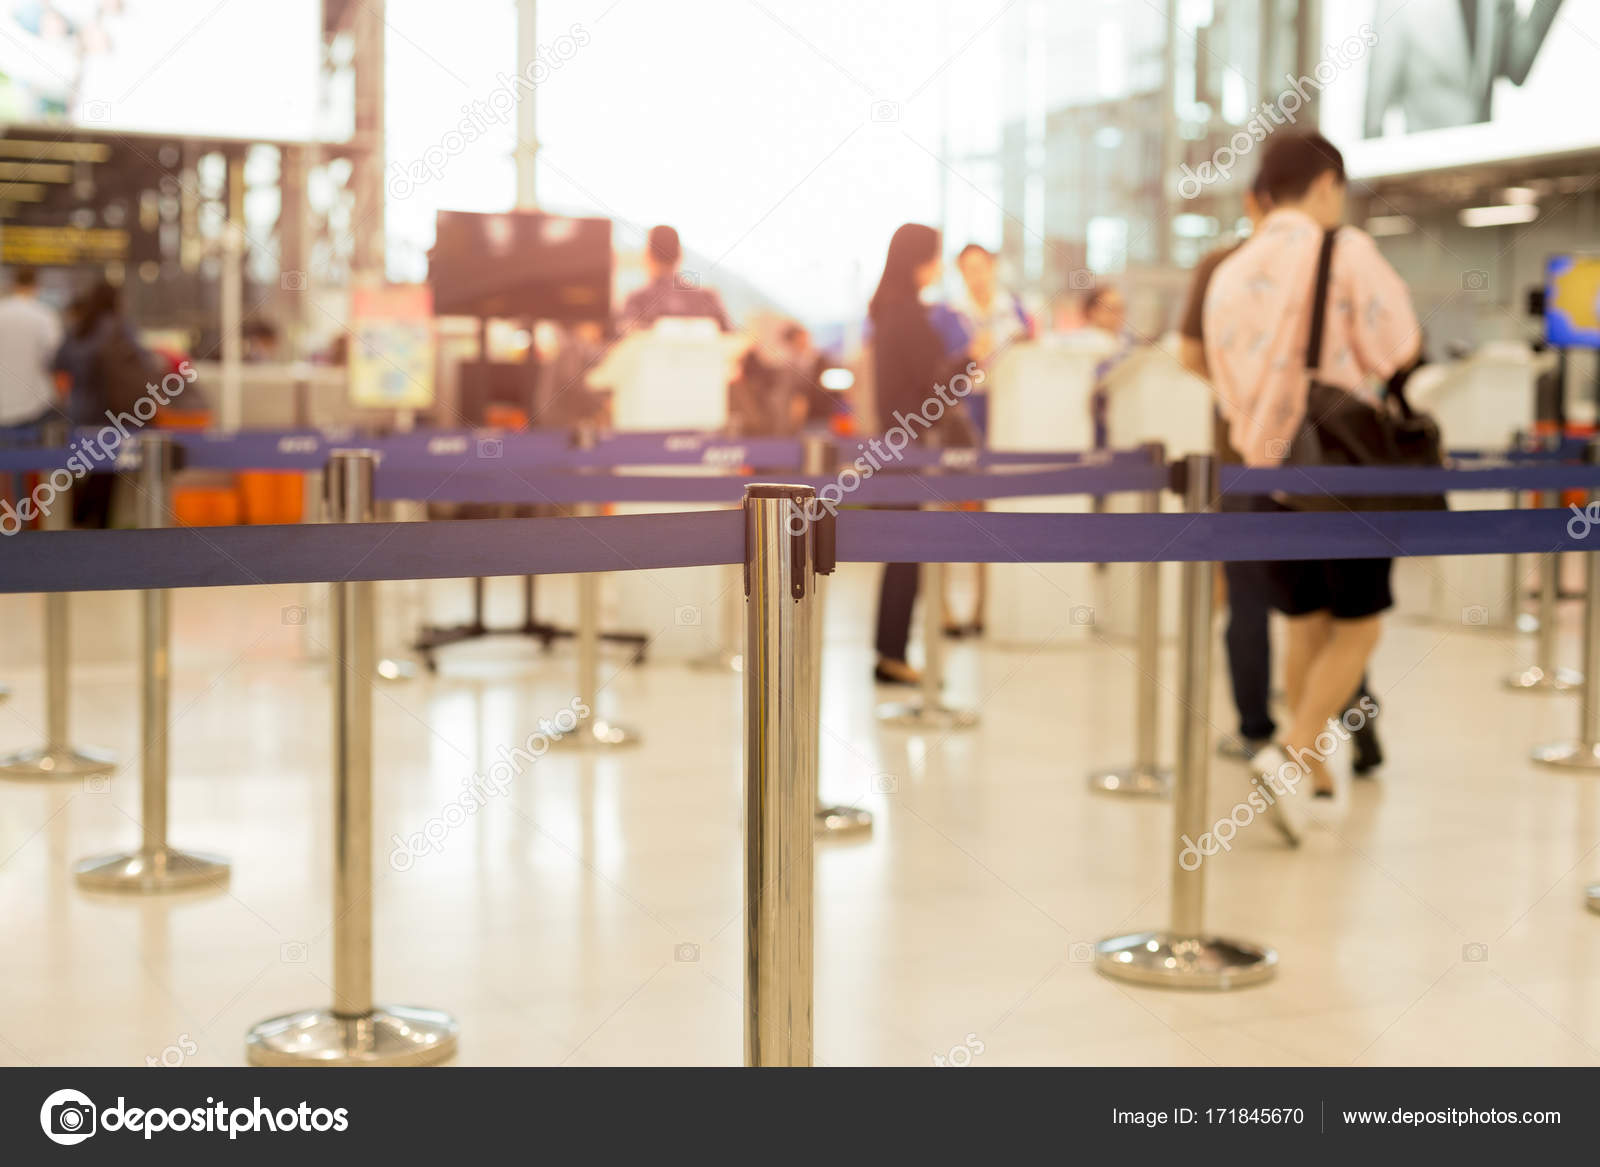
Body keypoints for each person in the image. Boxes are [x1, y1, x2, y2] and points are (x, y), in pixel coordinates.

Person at [1203, 131, 1421, 835]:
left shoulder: (1229, 270)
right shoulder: (1344, 249)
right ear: (1326, 182)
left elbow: (1219, 378)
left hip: (1259, 472)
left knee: (1302, 621)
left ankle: (1310, 780)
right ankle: (1295, 750)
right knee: (1360, 625)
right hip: (1339, 466)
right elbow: (1398, 344)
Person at [1181, 179, 1385, 770]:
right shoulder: (1332, 253)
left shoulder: (1222, 266)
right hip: (1331, 457)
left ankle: (1259, 733)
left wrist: (1246, 397)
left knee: (1263, 603)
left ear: (1257, 204)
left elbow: (1191, 356)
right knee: (1345, 613)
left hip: (1242, 458)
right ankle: (1341, 739)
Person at [868, 223, 979, 685]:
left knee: (902, 551)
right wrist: (973, 360)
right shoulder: (908, 315)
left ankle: (891, 653)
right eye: (934, 257)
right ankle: (892, 655)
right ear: (918, 260)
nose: (937, 266)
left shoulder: (891, 312)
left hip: (895, 444)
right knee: (905, 553)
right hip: (908, 446)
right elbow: (935, 385)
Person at [1363, 0, 1564, 138]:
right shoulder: (1397, 5)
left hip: (1484, 168)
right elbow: (1373, 118)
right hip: (1426, 176)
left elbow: (1517, 68)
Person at [618, 225, 732, 333]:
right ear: (680, 255)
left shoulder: (637, 301)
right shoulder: (709, 298)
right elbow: (732, 340)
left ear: (648, 256)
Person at [0, 267, 63, 438]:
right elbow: (54, 357)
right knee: (33, 460)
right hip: (35, 403)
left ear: (13, 284)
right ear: (36, 286)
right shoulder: (45, 316)